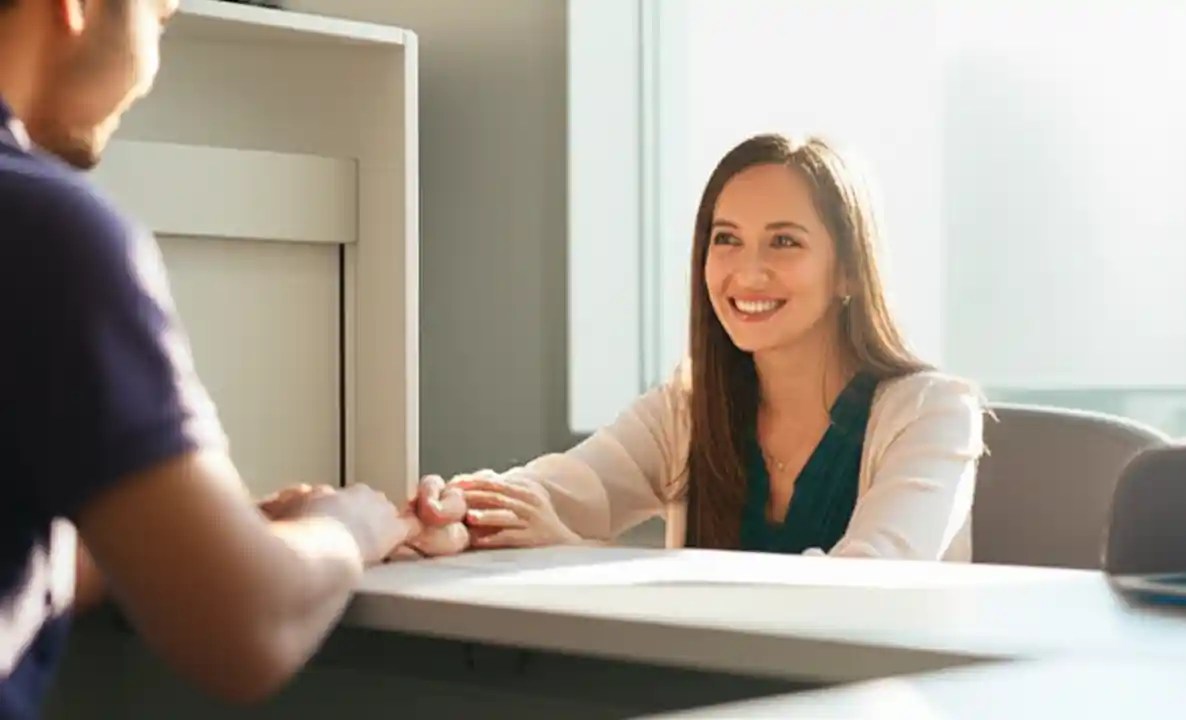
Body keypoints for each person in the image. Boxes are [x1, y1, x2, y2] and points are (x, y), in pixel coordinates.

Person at [0, 1, 463, 716]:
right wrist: (348, 525)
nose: (151, 69)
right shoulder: (48, 232)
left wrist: (196, 536)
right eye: (160, 18)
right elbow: (247, 629)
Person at [427, 134, 985, 559]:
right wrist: (449, 509)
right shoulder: (690, 405)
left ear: (848, 273)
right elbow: (569, 489)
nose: (748, 271)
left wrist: (573, 557)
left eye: (784, 242)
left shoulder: (934, 413)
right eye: (727, 239)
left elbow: (860, 590)